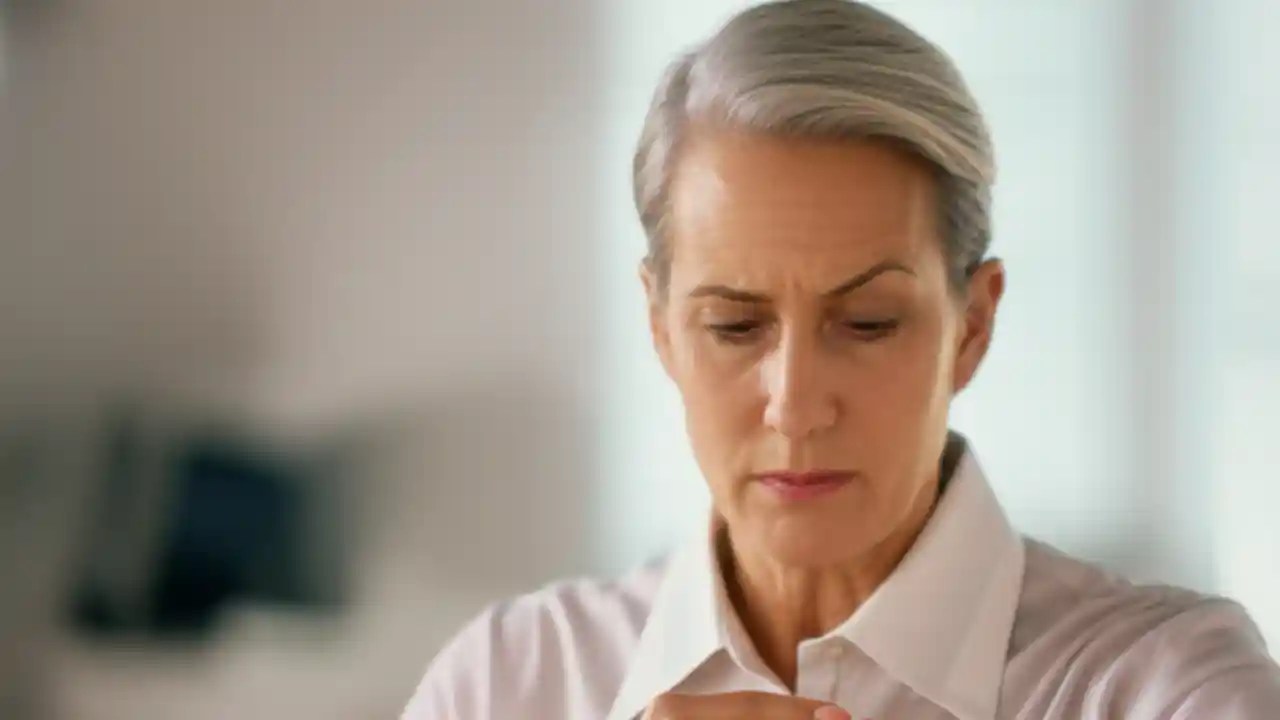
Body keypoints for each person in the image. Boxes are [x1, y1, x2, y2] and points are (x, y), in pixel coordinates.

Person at [402, 1, 1280, 717]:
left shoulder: (1168, 689)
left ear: (972, 326)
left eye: (866, 323)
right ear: (662, 329)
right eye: (735, 327)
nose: (795, 403)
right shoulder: (507, 683)